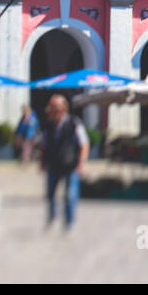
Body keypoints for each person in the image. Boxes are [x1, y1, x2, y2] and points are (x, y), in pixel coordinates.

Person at [38, 94, 88, 231]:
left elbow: (84, 143)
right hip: (53, 164)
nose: (51, 111)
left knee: (70, 194)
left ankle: (69, 222)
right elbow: (43, 144)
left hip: (70, 164)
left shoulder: (74, 122)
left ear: (62, 108)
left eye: (54, 107)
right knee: (50, 194)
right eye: (51, 108)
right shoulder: (49, 125)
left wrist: (81, 163)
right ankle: (52, 218)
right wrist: (42, 162)